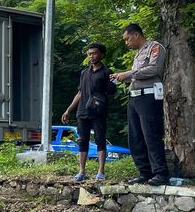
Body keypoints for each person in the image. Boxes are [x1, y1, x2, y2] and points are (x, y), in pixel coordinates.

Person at [111, 24, 169, 186]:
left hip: (149, 96)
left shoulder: (155, 47)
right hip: (134, 97)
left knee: (151, 135)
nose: (126, 43)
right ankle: (145, 172)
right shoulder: (138, 53)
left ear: (136, 35)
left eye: (127, 39)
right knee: (136, 137)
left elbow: (154, 69)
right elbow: (137, 75)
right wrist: (121, 77)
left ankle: (160, 173)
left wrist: (128, 74)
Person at [62, 42, 116, 182]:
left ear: (102, 55)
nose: (91, 56)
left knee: (100, 139)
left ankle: (101, 171)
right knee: (82, 140)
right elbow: (80, 93)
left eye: (94, 53)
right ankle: (81, 172)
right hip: (82, 111)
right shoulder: (84, 72)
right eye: (89, 54)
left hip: (98, 112)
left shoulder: (107, 72)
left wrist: (101, 101)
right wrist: (68, 110)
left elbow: (111, 93)